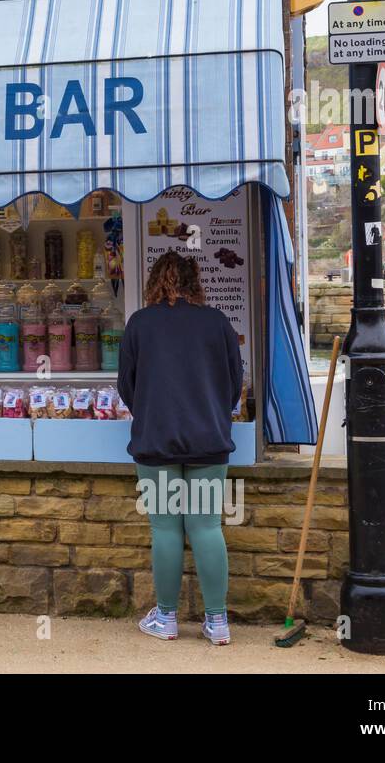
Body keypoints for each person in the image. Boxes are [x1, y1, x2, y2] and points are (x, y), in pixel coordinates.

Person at [117, 249, 244, 645]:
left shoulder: (140, 324)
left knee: (165, 529)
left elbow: (126, 385)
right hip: (209, 441)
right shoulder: (217, 322)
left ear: (155, 280)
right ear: (195, 282)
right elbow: (234, 381)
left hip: (156, 442)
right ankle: (218, 622)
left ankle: (167, 619)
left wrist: (152, 410)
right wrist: (212, 413)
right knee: (207, 526)